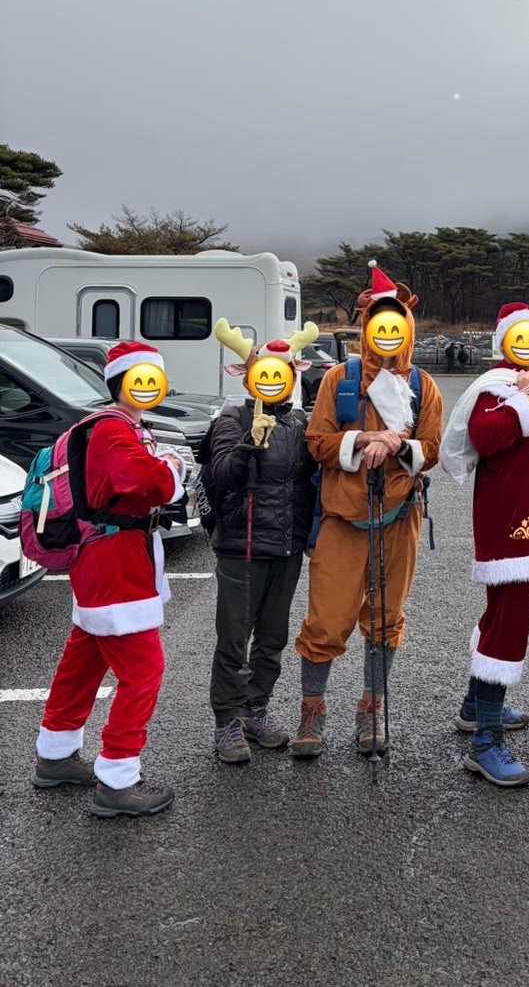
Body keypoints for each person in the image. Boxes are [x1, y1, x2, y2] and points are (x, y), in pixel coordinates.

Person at [292, 262, 443, 758]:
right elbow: (316, 442)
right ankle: (312, 713)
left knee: (386, 616)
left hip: (400, 515)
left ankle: (371, 709)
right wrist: (364, 440)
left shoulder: (423, 385)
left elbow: (432, 449)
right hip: (342, 519)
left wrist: (398, 446)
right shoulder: (340, 379)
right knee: (327, 619)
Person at [32, 341, 187, 818]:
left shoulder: (106, 425)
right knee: (143, 672)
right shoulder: (115, 432)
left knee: (84, 660)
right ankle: (117, 779)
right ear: (123, 384)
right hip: (116, 560)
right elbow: (140, 481)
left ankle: (55, 756)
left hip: (99, 557)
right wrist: (174, 470)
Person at [439, 302, 529, 787]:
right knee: (509, 623)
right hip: (509, 525)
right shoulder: (498, 386)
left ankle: (477, 705)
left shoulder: (523, 380)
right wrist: (520, 402)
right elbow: (485, 436)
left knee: (501, 614)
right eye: (523, 337)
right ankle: (485, 742)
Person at [208, 321, 319, 763]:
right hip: (242, 546)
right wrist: (250, 445)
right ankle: (227, 722)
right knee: (234, 640)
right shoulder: (232, 419)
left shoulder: (299, 424)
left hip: (286, 548)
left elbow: (311, 480)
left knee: (272, 638)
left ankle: (256, 709)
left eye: (283, 373)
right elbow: (221, 474)